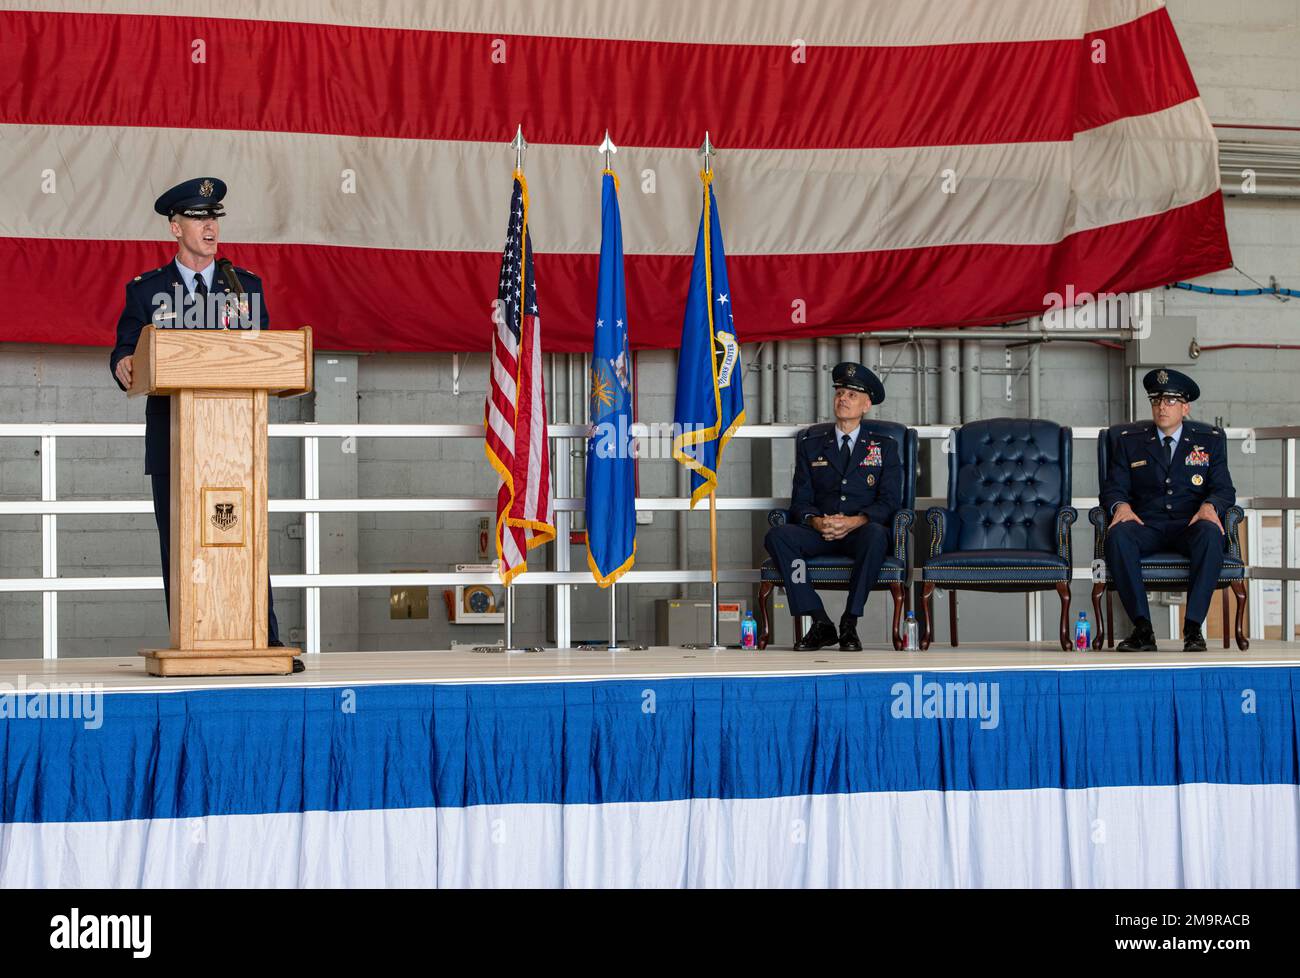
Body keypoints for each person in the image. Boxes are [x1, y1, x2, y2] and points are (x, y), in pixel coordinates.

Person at [108, 178, 293, 665]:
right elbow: (126, 349)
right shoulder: (147, 291)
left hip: (234, 446)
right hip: (172, 442)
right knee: (181, 547)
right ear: (175, 227)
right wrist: (125, 362)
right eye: (198, 218)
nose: (210, 226)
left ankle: (263, 641)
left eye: (215, 218)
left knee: (244, 540)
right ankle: (192, 643)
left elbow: (267, 356)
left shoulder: (243, 287)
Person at [764, 362, 900, 651]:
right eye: (839, 392)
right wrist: (816, 522)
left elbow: (890, 501)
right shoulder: (812, 445)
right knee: (777, 536)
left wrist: (854, 522)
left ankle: (850, 622)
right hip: (821, 531)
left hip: (860, 532)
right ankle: (820, 620)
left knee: (877, 534)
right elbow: (800, 501)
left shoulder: (884, 446)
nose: (843, 399)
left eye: (852, 395)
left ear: (866, 405)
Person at [1100, 367, 1235, 652]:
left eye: (1171, 401)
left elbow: (1224, 489)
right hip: (1146, 524)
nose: (1162, 407)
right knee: (1118, 535)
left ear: (1185, 407)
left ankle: (1193, 628)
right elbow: (1113, 488)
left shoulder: (1207, 440)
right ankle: (1142, 629)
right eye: (1157, 401)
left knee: (1211, 534)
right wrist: (1121, 506)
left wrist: (1211, 506)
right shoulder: (1130, 442)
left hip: (1190, 524)